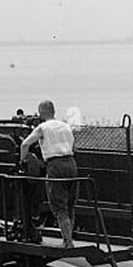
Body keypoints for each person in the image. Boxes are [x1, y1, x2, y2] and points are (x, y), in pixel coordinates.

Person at [19, 100, 77, 248]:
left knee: (59, 206)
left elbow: (25, 144)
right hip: (71, 163)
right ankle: (69, 237)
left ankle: (68, 243)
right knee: (70, 204)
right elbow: (72, 145)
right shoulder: (65, 126)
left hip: (55, 166)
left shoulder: (43, 128)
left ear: (42, 112)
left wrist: (23, 161)